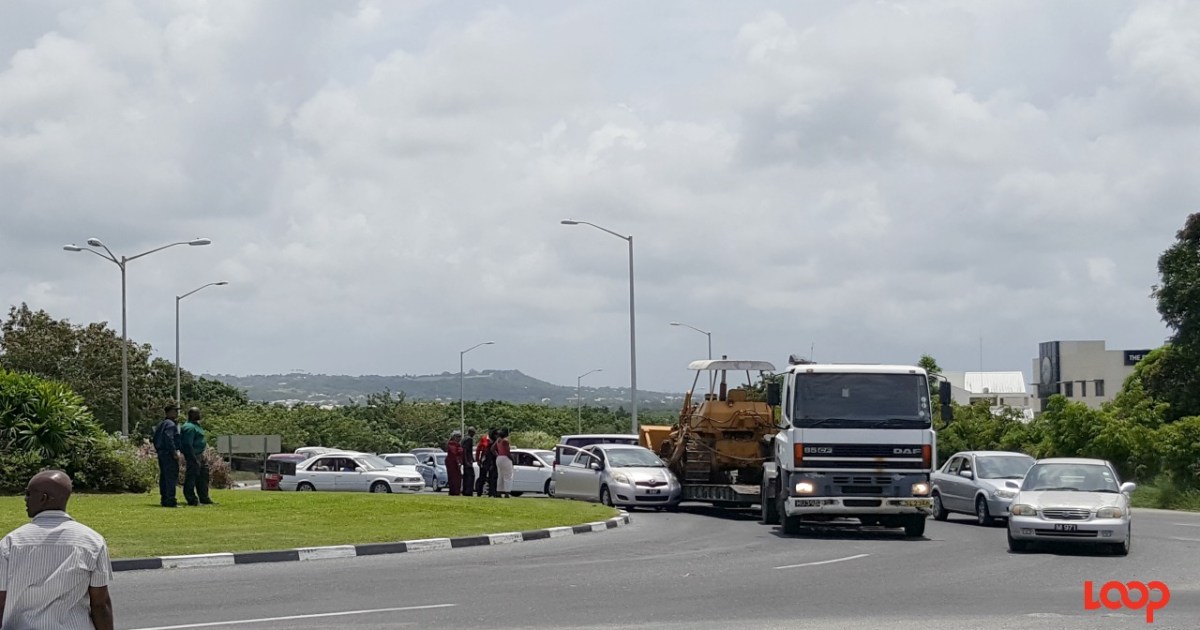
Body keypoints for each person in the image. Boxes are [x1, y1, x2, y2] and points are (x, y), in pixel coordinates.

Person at [0, 470, 114, 630]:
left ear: (43, 498)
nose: (25, 499)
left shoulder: (11, 543)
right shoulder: (92, 541)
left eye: (28, 494)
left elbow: (1, 600)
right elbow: (100, 604)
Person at [179, 407, 214, 506]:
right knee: (192, 477)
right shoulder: (189, 427)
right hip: (194, 455)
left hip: (201, 454)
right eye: (197, 413)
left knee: (203, 476)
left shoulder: (196, 425)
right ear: (192, 414)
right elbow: (187, 444)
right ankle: (191, 499)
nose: (200, 415)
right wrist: (193, 458)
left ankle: (204, 498)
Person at [152, 404, 181, 508]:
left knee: (164, 477)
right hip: (168, 454)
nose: (176, 413)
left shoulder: (161, 424)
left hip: (162, 453)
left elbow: (155, 439)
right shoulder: (170, 424)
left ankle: (164, 499)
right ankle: (170, 500)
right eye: (175, 411)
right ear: (168, 412)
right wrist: (174, 452)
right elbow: (169, 438)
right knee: (171, 477)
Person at [475, 428, 494, 496]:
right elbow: (478, 449)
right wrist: (477, 459)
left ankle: (491, 493)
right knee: (482, 477)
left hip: (492, 459)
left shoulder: (494, 439)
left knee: (492, 477)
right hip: (485, 460)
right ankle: (479, 492)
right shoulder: (484, 439)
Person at [495, 428, 514, 498]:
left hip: (499, 458)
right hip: (505, 458)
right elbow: (507, 451)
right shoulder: (505, 440)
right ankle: (507, 493)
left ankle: (498, 492)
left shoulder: (498, 440)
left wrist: (498, 455)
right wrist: (512, 459)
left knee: (500, 476)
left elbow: (492, 449)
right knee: (508, 476)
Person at [445, 431, 464, 496]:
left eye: (460, 437)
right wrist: (458, 462)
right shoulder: (451, 444)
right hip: (452, 463)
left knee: (457, 478)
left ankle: (456, 491)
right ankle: (454, 491)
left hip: (456, 463)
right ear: (454, 437)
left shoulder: (458, 444)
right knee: (453, 478)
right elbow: (454, 454)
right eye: (458, 437)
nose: (459, 438)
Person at [483, 429, 500, 497]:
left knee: (493, 478)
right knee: (493, 478)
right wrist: (491, 463)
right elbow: (489, 454)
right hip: (493, 462)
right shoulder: (492, 444)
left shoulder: (491, 443)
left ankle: (492, 492)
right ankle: (493, 492)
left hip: (493, 462)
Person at [460, 427, 477, 496]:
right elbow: (466, 450)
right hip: (467, 460)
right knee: (470, 476)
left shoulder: (464, 439)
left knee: (466, 476)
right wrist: (467, 460)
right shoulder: (469, 439)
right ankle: (468, 491)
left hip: (466, 460)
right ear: (471, 432)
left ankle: (465, 490)